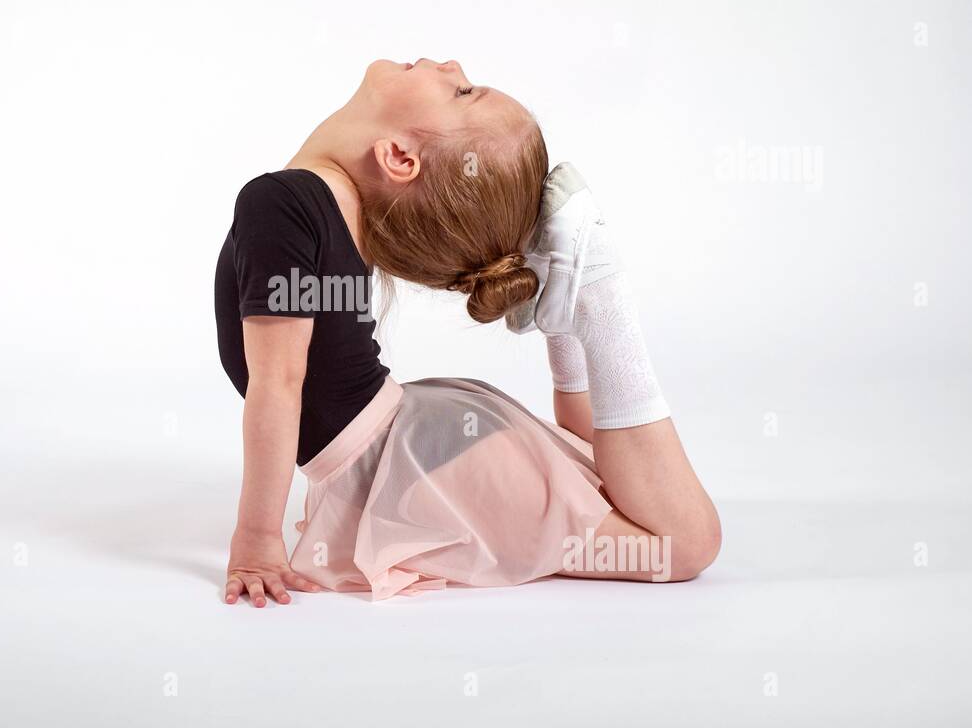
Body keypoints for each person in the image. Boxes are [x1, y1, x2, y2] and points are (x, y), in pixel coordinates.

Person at [213, 59, 721, 605]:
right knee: (599, 472)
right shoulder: (332, 201)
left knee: (681, 545)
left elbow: (279, 385)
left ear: (400, 156)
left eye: (462, 91)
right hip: (417, 452)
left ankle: (594, 294)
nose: (451, 65)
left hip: (423, 466)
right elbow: (284, 382)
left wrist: (257, 540)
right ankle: (563, 308)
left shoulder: (283, 203)